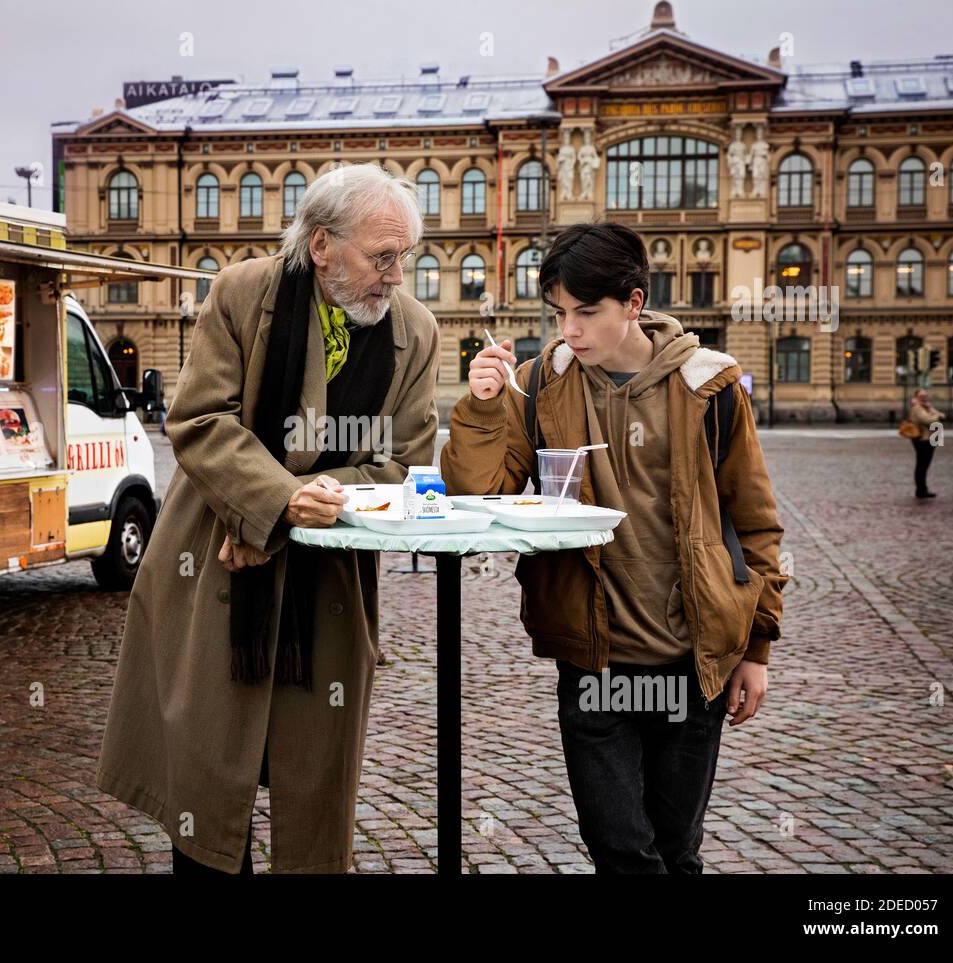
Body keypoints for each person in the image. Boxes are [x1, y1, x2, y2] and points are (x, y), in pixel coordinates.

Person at [94, 164, 441, 874]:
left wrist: (303, 501)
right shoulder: (241, 293)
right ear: (321, 245)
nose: (396, 275)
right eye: (382, 257)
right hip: (213, 564)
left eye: (404, 256)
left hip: (326, 584)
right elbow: (198, 419)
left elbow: (406, 464)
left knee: (314, 795)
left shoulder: (417, 330)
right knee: (207, 795)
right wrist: (272, 504)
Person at [440, 222, 785, 874]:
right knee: (622, 851)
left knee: (676, 851)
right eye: (560, 312)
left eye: (587, 312)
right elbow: (476, 493)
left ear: (632, 303)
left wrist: (756, 647)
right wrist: (484, 407)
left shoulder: (711, 385)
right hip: (594, 665)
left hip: (695, 666)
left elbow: (757, 524)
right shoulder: (538, 384)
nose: (570, 329)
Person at [906, 388, 943, 499]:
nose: (924, 398)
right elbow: (928, 421)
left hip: (931, 437)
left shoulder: (926, 407)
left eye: (925, 396)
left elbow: (942, 415)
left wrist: (934, 413)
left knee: (925, 464)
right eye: (921, 396)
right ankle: (921, 490)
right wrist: (937, 416)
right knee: (922, 465)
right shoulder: (917, 408)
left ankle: (923, 489)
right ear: (916, 397)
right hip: (922, 439)